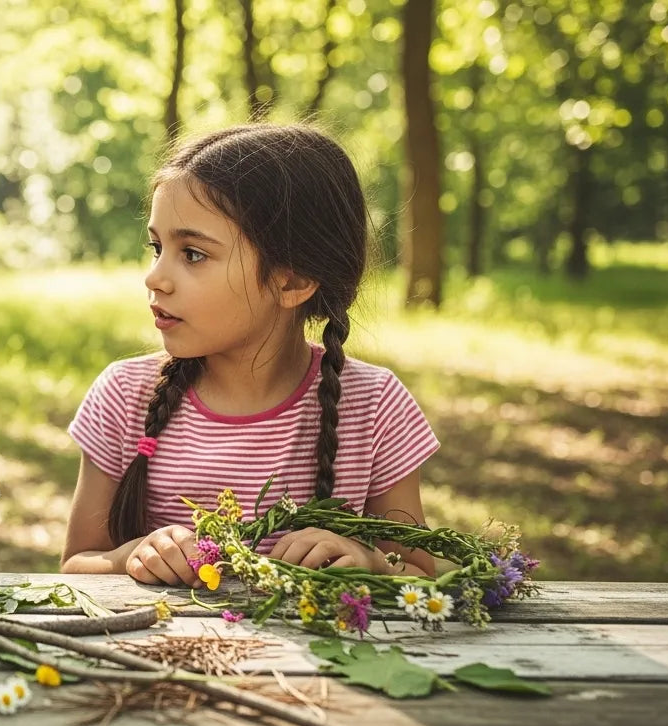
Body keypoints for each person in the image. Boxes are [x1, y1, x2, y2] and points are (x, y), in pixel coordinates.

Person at [61, 124, 440, 587]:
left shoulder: (374, 406)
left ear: (292, 281)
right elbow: (76, 564)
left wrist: (370, 563)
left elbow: (420, 576)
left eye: (193, 254)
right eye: (156, 248)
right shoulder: (124, 397)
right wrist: (128, 557)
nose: (154, 277)